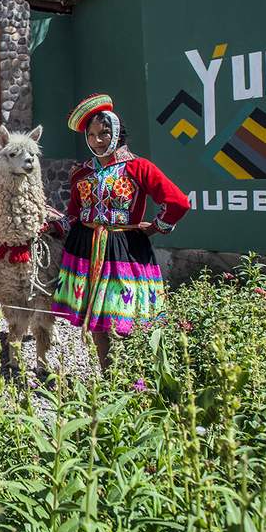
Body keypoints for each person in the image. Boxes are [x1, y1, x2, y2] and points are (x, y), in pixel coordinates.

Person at [49, 93, 190, 371]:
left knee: (122, 315)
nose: (97, 140)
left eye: (104, 133)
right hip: (86, 246)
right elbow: (74, 213)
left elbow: (178, 202)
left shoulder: (139, 168)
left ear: (117, 133)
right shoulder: (82, 173)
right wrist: (54, 226)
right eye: (91, 135)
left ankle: (132, 374)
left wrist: (156, 227)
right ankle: (106, 373)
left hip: (123, 248)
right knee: (96, 317)